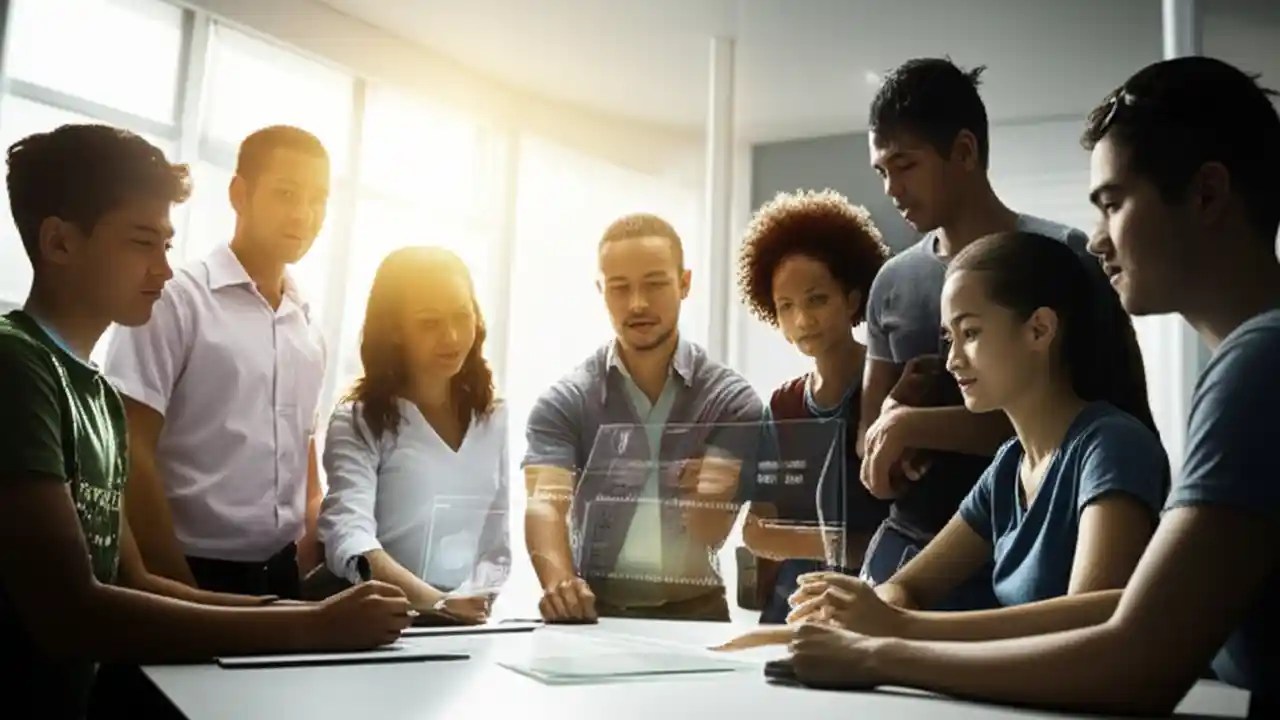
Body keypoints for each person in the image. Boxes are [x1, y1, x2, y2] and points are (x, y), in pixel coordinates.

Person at [786, 57, 1280, 719]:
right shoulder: (1250, 365)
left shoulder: (1258, 367)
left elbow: (1136, 660)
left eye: (1113, 203)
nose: (1098, 241)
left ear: (1208, 195)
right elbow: (1131, 613)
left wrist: (883, 651)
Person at [0, 124, 410, 720]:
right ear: (60, 243)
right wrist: (309, 627)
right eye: (143, 243)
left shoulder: (91, 390)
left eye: (166, 246)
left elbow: (131, 579)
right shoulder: (17, 363)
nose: (163, 272)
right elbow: (73, 612)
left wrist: (306, 612)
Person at [855, 58, 1141, 609]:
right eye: (880, 172)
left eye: (905, 165)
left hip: (1047, 557)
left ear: (964, 151)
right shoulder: (893, 282)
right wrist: (892, 442)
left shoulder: (1067, 258)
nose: (891, 188)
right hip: (922, 547)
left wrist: (917, 426)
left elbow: (1079, 414)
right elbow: (874, 446)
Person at [782, 231, 1165, 641]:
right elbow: (910, 584)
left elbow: (1092, 627)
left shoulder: (1110, 447)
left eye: (970, 333)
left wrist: (898, 625)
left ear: (1039, 329)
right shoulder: (1009, 466)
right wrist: (867, 605)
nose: (952, 360)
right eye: (949, 338)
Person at [103, 125, 331, 598]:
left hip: (281, 575)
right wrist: (178, 586)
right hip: (187, 569)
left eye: (318, 199)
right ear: (239, 194)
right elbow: (130, 449)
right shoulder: (174, 298)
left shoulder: (307, 326)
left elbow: (302, 446)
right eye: (286, 193)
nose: (303, 214)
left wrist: (308, 545)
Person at [523, 213, 762, 623]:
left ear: (684, 283)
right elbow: (546, 503)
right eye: (619, 288)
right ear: (601, 290)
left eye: (654, 284)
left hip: (698, 617)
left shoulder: (733, 403)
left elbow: (711, 532)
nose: (637, 303)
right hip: (592, 616)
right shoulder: (564, 402)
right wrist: (561, 585)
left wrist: (716, 492)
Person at [318, 247, 509, 623]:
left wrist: (472, 604)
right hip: (381, 622)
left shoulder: (493, 417)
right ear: (395, 331)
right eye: (429, 323)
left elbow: (496, 545)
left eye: (461, 316)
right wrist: (435, 604)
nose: (452, 336)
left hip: (466, 626)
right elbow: (348, 536)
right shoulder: (359, 421)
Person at [734, 189, 892, 623]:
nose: (802, 320)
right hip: (790, 609)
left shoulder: (889, 389)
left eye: (817, 299)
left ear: (853, 298)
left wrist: (795, 540)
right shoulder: (782, 405)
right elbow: (755, 530)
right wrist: (840, 543)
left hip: (873, 606)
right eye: (786, 306)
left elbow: (906, 536)